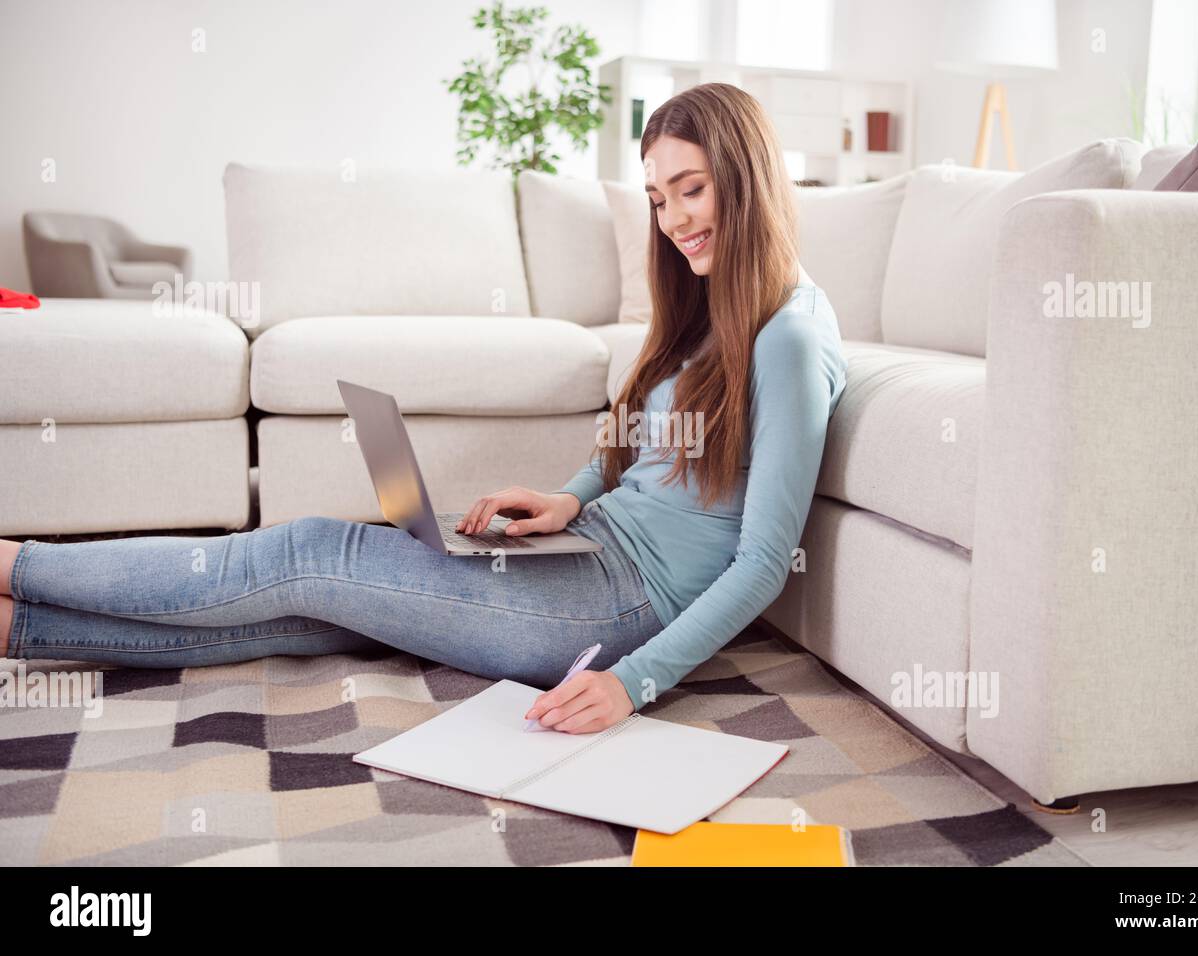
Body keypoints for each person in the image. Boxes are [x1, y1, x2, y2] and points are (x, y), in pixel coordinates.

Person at [0, 83, 846, 736]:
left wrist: (633, 682)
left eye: (690, 190)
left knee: (306, 550)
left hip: (615, 607)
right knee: (314, 609)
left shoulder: (791, 341)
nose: (673, 221)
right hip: (588, 548)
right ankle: (20, 629)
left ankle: (16, 565)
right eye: (659, 200)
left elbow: (764, 562)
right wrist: (572, 498)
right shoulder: (710, 307)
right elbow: (640, 446)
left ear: (745, 176)